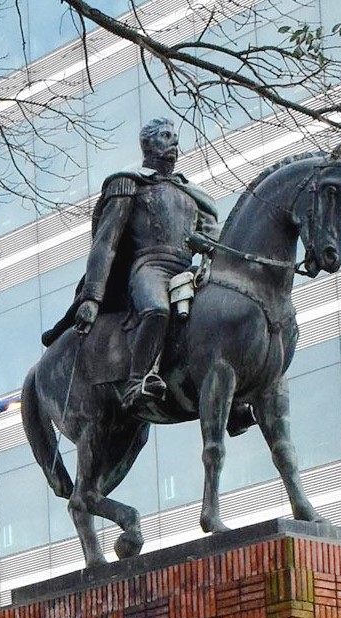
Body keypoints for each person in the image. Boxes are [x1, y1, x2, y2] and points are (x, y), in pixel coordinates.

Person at [41, 117, 220, 408]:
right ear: (148, 144)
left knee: (221, 312)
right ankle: (138, 381)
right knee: (157, 310)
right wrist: (92, 295)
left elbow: (215, 239)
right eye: (165, 135)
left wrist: (210, 245)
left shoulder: (191, 194)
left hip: (186, 273)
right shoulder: (128, 184)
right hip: (149, 267)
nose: (174, 141)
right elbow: (106, 244)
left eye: (175, 136)